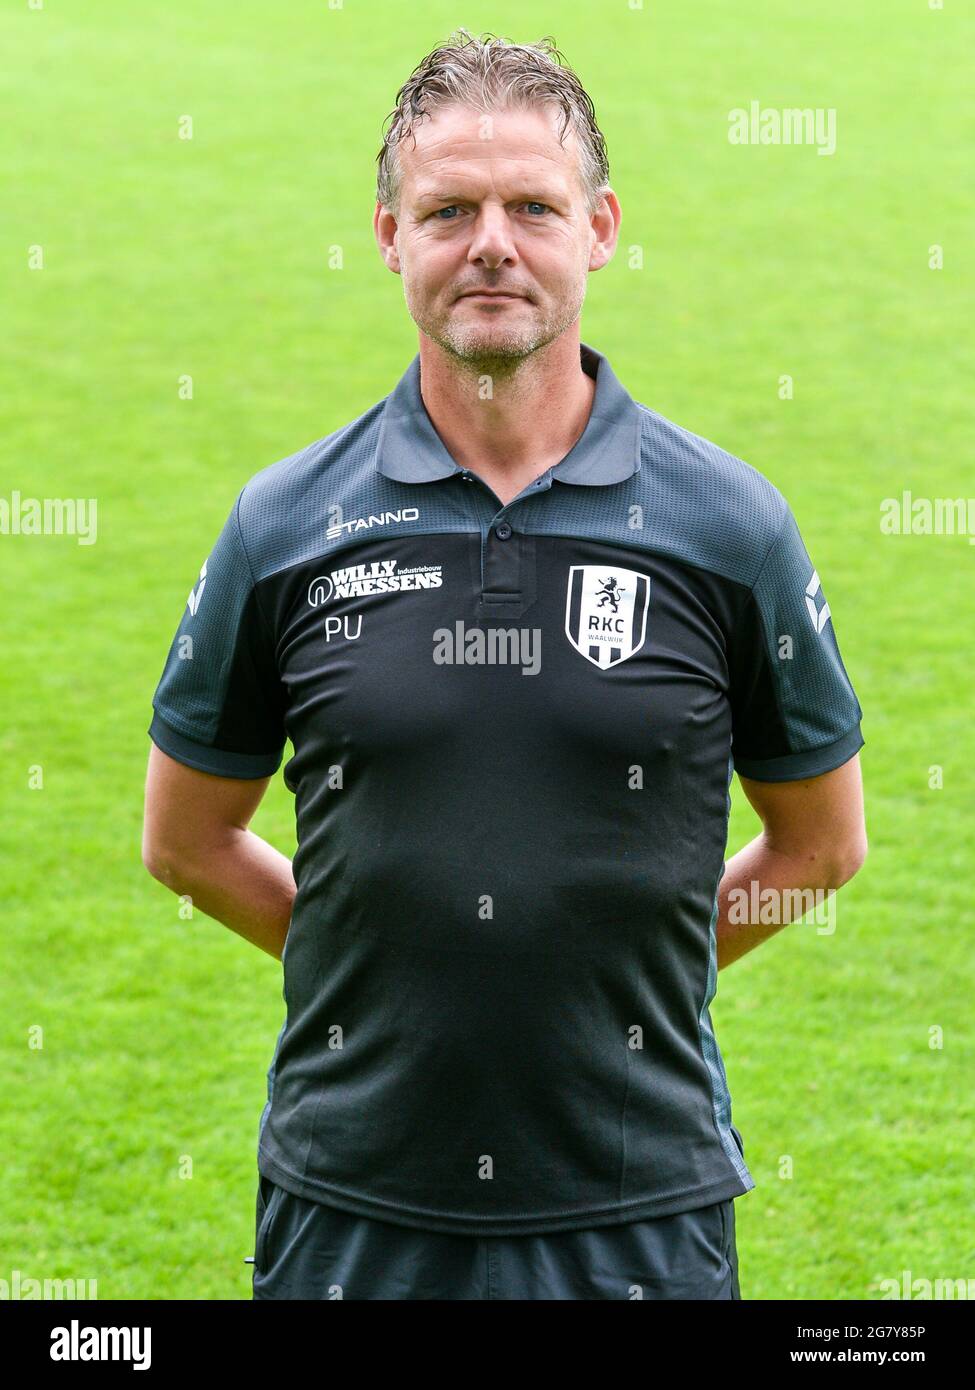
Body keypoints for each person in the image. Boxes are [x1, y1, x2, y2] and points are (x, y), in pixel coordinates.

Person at [142, 29, 867, 1300]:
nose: (492, 243)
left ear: (598, 228)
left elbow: (821, 846)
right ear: (388, 235)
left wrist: (637, 973)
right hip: (353, 1199)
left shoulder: (728, 526)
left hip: (638, 1204)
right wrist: (376, 964)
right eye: (449, 209)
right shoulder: (283, 525)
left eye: (533, 205)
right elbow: (186, 838)